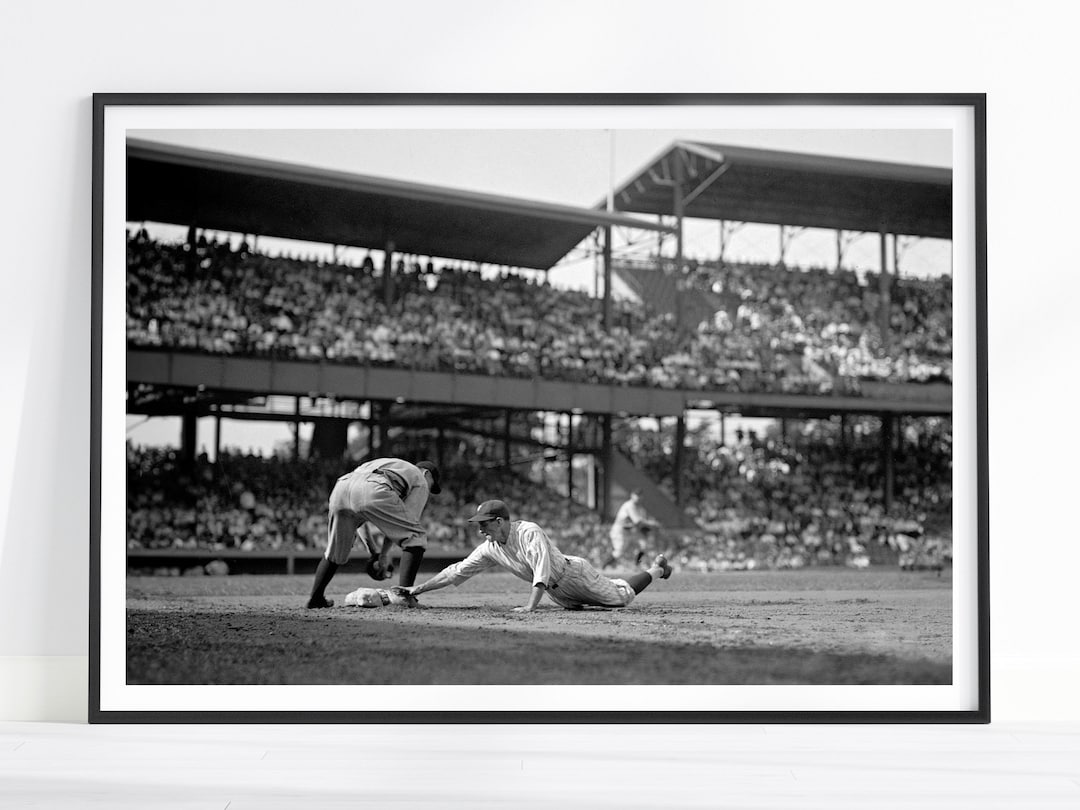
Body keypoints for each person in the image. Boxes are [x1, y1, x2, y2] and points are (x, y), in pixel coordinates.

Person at [395, 499, 672, 612]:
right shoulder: (490, 547)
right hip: (557, 592)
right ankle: (651, 570)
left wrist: (530, 607)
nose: (480, 530)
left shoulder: (529, 532)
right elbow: (457, 571)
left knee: (621, 597)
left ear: (500, 521)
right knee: (581, 608)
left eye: (484, 524)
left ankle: (658, 569)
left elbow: (541, 569)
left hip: (574, 575)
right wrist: (417, 589)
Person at [306, 458, 441, 609]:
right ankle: (404, 597)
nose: (429, 490)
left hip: (342, 486)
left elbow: (359, 514)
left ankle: (315, 598)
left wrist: (374, 553)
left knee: (334, 551)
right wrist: (384, 554)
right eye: (432, 485)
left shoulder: (394, 464)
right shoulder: (419, 478)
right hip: (373, 486)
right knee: (416, 537)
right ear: (426, 473)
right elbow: (405, 525)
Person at [605, 489, 659, 568]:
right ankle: (604, 566)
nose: (638, 497)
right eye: (637, 495)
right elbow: (637, 521)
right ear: (632, 495)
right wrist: (652, 524)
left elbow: (640, 524)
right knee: (619, 552)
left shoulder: (639, 508)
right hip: (620, 531)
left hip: (631, 531)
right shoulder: (629, 505)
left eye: (640, 495)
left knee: (644, 545)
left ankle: (637, 565)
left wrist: (648, 528)